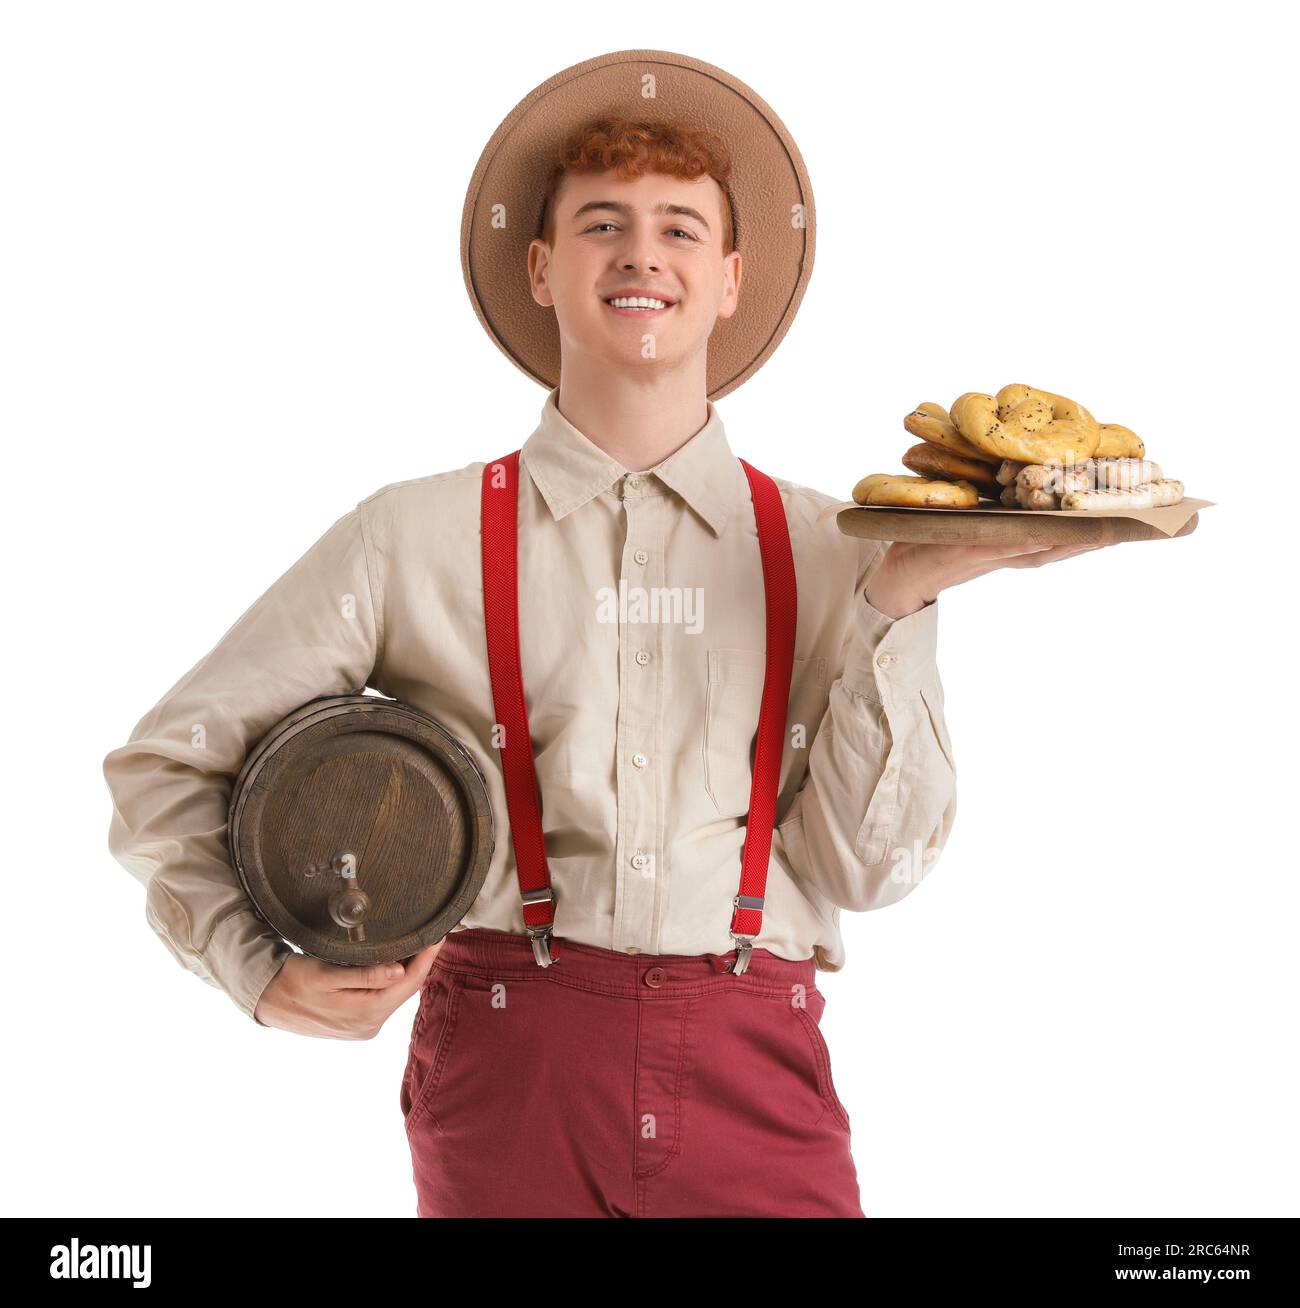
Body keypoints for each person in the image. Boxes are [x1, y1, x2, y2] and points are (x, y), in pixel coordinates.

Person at [102, 51, 1109, 1217]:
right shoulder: (406, 537)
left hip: (755, 1065)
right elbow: (167, 763)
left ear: (729, 280)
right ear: (540, 267)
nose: (642, 254)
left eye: (681, 230)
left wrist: (902, 600)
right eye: (601, 225)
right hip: (504, 1065)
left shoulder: (848, 544)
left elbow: (864, 873)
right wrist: (254, 969)